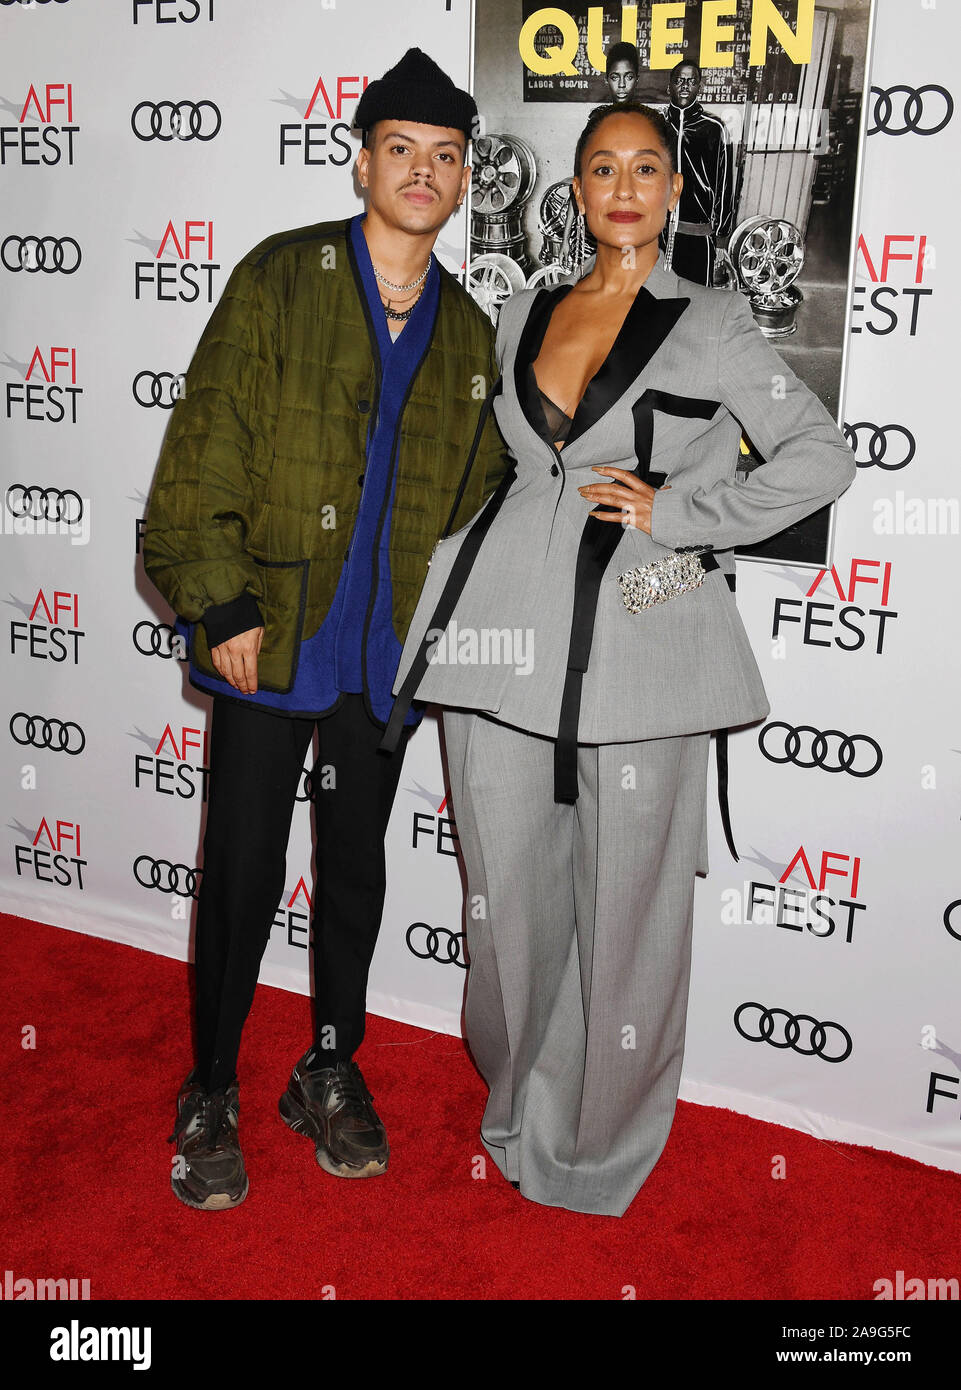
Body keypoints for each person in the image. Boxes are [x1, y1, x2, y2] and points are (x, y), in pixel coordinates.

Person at [386, 101, 856, 1217]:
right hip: (500, 643)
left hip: (647, 622)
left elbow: (819, 457)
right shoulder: (523, 310)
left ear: (676, 190)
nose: (626, 186)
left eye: (648, 167)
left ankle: (594, 1153)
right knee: (504, 904)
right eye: (603, 167)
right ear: (578, 191)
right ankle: (518, 1106)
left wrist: (681, 511)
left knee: (630, 913)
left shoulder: (715, 320)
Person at [142, 48, 509, 1210]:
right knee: (243, 871)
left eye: (445, 157)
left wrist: (444, 637)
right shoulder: (279, 277)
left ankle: (329, 1065)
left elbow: (476, 504)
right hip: (274, 640)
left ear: (463, 185)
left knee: (352, 871)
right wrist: (222, 600)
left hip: (378, 663)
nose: (423, 170)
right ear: (362, 161)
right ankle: (211, 1086)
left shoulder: (467, 332)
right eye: (401, 148)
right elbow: (202, 447)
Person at [660, 60, 736, 285]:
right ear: (669, 87)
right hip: (659, 234)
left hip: (698, 236)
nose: (684, 86)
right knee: (660, 298)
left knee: (695, 299)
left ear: (699, 88)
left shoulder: (715, 128)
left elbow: (724, 184)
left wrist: (721, 239)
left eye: (691, 81)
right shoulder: (657, 125)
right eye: (679, 81)